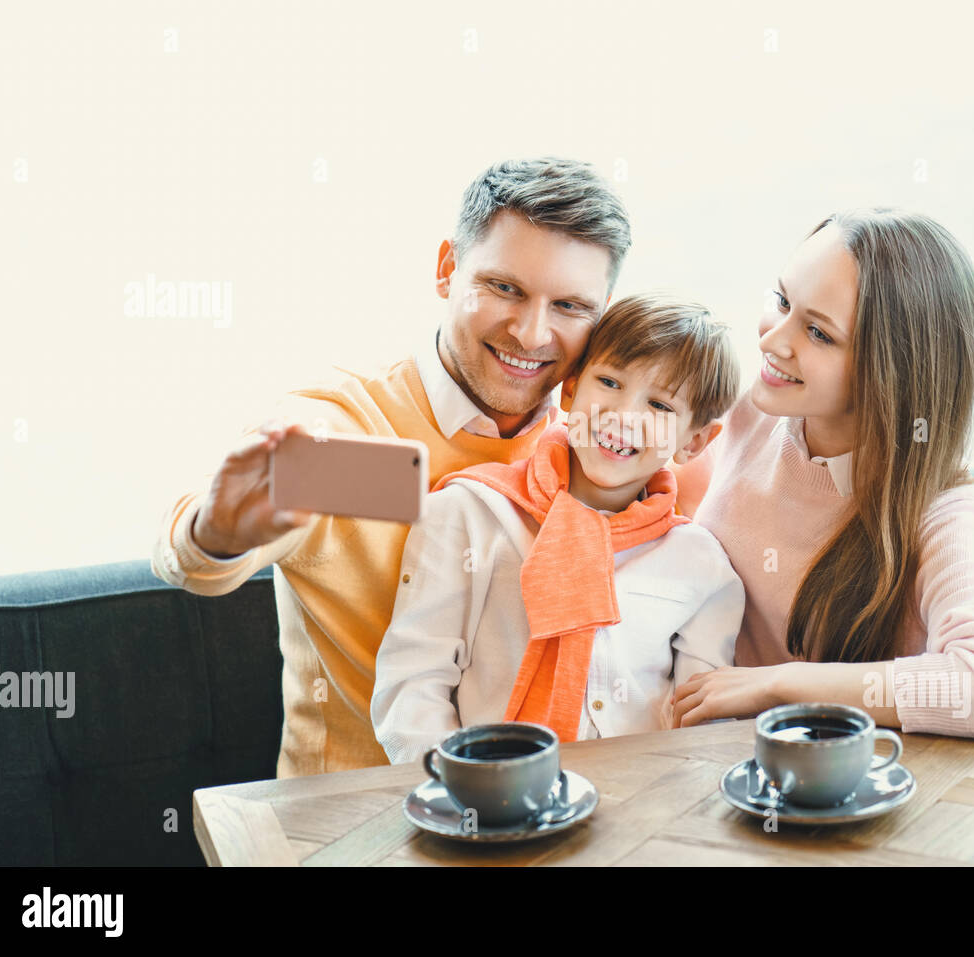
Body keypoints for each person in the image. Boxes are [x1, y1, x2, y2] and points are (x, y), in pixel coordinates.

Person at [150, 157, 632, 777]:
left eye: (568, 305)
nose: (531, 332)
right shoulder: (359, 437)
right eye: (505, 288)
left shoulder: (595, 452)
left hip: (537, 809)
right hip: (356, 821)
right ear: (447, 269)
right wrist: (215, 533)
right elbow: (200, 551)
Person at [670, 208, 974, 740]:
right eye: (781, 302)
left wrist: (781, 684)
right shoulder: (749, 413)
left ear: (891, 366)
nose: (773, 340)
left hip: (825, 784)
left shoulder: (942, 511)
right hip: (694, 753)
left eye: (818, 332)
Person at [371, 294, 744, 763]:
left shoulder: (699, 561)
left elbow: (703, 715)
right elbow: (413, 679)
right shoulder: (470, 512)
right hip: (490, 798)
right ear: (569, 391)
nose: (624, 416)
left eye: (660, 405)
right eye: (609, 382)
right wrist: (457, 789)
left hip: (639, 802)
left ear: (695, 441)